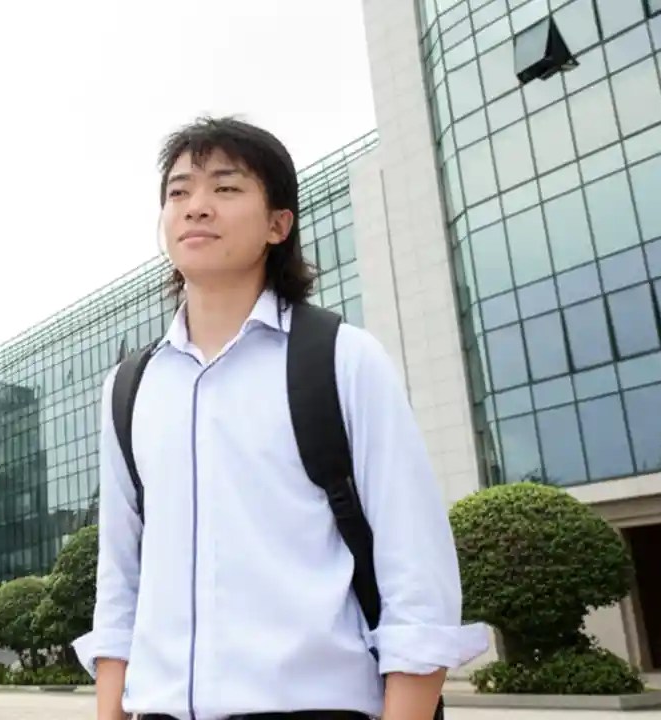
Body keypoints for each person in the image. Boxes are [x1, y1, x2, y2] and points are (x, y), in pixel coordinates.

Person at [71, 117, 489, 720]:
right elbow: (120, 579)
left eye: (226, 188)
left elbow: (417, 578)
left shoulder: (342, 358)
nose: (197, 207)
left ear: (278, 224)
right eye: (179, 191)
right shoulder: (131, 388)